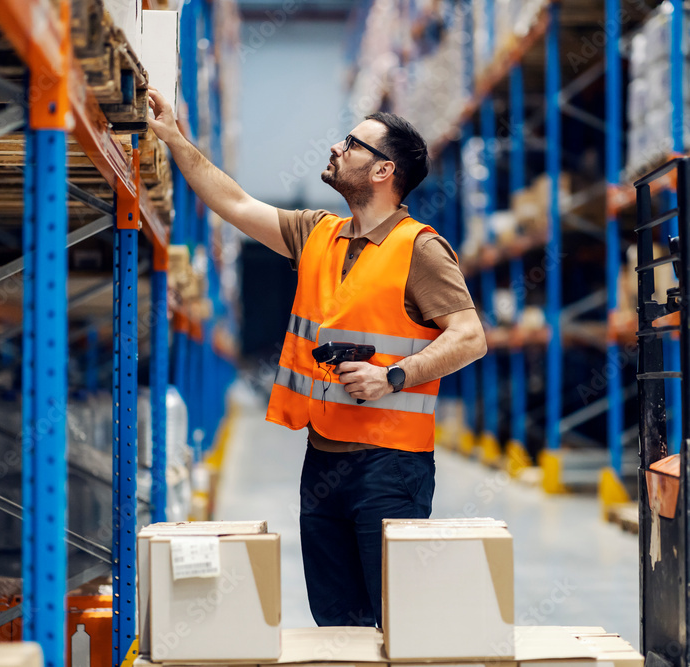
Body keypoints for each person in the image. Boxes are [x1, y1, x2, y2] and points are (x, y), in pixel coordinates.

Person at [146, 87, 487, 628]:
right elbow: (233, 202)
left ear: (383, 172)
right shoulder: (317, 234)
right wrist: (173, 139)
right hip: (323, 463)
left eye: (353, 144)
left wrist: (393, 376)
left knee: (399, 627)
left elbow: (470, 336)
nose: (335, 147)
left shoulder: (420, 249)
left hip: (391, 469)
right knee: (336, 624)